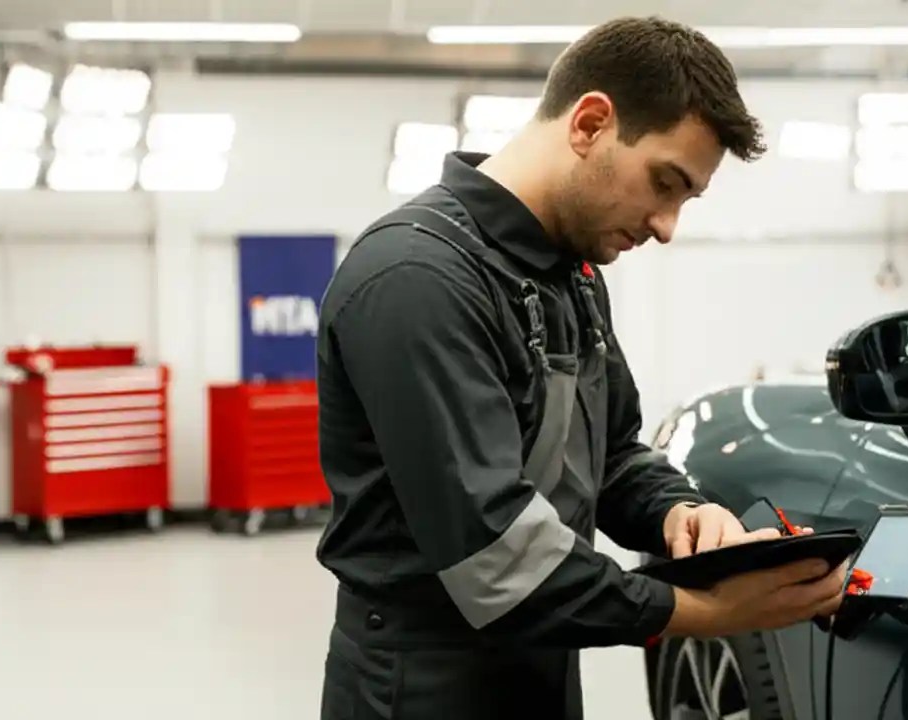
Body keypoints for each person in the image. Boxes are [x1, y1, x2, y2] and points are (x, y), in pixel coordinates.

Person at [315, 16, 848, 719]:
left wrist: (680, 513)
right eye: (664, 182)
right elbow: (496, 559)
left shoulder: (571, 276)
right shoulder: (418, 280)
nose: (666, 226)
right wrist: (706, 611)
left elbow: (612, 457)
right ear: (590, 123)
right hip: (421, 686)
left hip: (539, 664)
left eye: (685, 199)